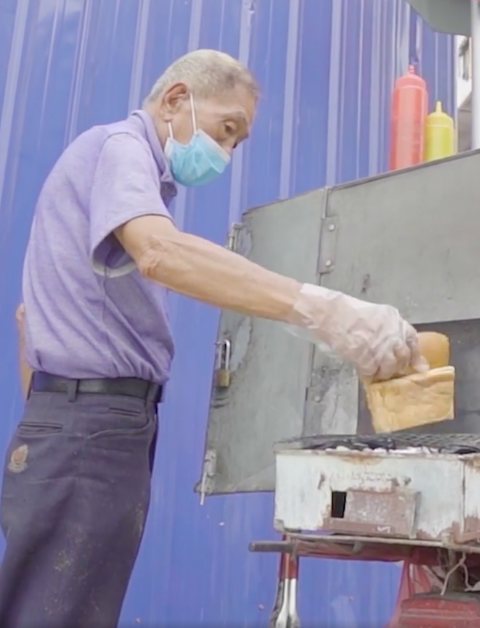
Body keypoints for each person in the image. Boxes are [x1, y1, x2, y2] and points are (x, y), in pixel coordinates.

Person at [0, 50, 427, 628]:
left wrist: (47, 419)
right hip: (88, 429)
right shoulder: (121, 148)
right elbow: (160, 251)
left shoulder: (118, 176)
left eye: (237, 142)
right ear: (176, 99)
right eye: (227, 129)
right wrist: (324, 310)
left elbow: (27, 318)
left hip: (81, 427)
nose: (225, 153)